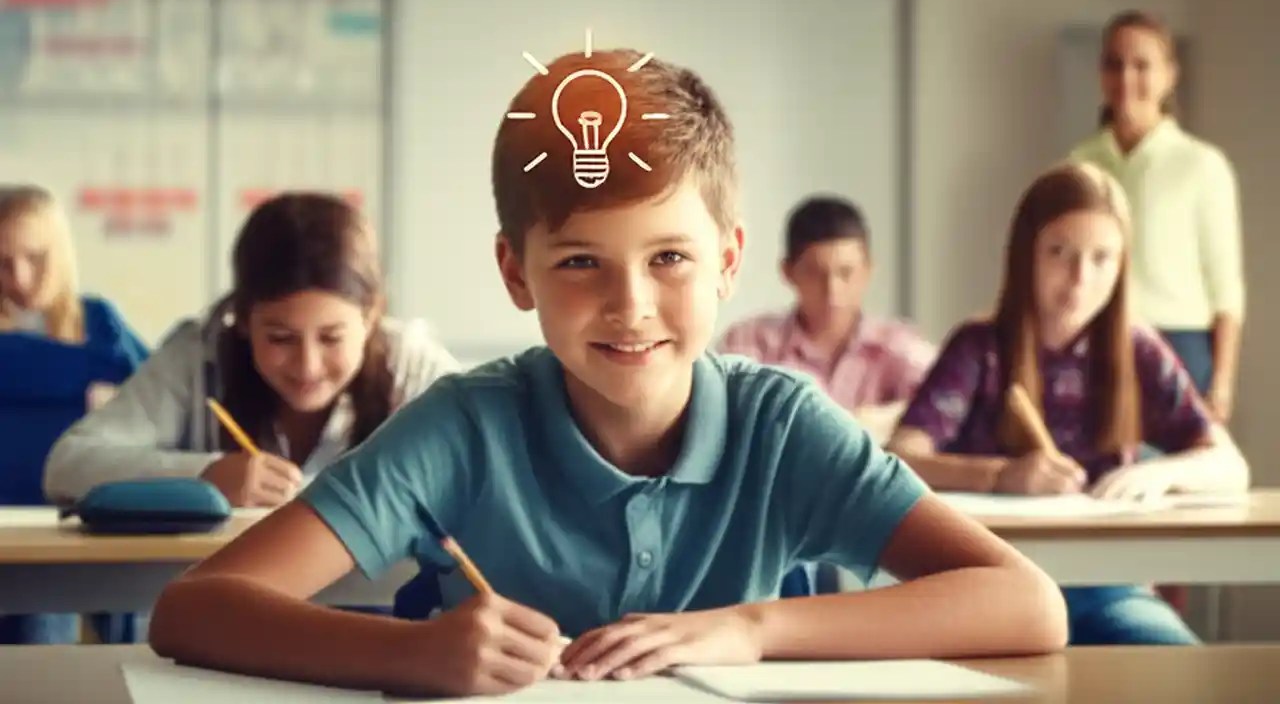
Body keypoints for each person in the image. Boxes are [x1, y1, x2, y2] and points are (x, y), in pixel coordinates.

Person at [147, 49, 1066, 697]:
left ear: (729, 260)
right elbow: (195, 611)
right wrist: (412, 653)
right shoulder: (467, 425)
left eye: (669, 258)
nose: (630, 305)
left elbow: (1027, 605)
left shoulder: (780, 425)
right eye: (582, 262)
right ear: (517, 272)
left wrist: (750, 628)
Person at [887, 162, 1249, 645]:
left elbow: (1228, 465)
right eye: (1060, 253)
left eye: (1104, 258)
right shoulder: (981, 347)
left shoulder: (1136, 347)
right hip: (988, 584)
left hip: (1109, 587)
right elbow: (900, 456)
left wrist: (1157, 473)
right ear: (1025, 255)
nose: (1081, 278)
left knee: (1176, 660)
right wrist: (1000, 476)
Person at [45, 192, 459, 506]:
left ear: (371, 318)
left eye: (332, 338)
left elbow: (499, 466)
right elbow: (68, 466)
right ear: (243, 319)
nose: (308, 365)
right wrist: (205, 476)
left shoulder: (409, 364)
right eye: (280, 338)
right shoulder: (198, 356)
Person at [1070, 10, 1244, 421]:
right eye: (1114, 64)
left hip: (1179, 348)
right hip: (1097, 344)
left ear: (1169, 75)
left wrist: (1220, 385)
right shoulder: (1081, 164)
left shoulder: (1201, 164)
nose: (1126, 78)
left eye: (1142, 65)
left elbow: (1227, 291)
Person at [0, 184, 149, 645]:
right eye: (3, 263)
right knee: (35, 643)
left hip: (94, 516)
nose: (20, 277)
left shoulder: (99, 319)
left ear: (60, 253)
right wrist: (84, 373)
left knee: (138, 635)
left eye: (36, 258)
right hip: (16, 531)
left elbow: (152, 392)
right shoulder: (96, 343)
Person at [718, 195, 935, 443]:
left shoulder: (898, 344)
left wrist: (882, 418)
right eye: (815, 273)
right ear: (788, 272)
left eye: (846, 272)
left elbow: (941, 410)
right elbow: (729, 419)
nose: (832, 290)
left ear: (868, 270)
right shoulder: (750, 342)